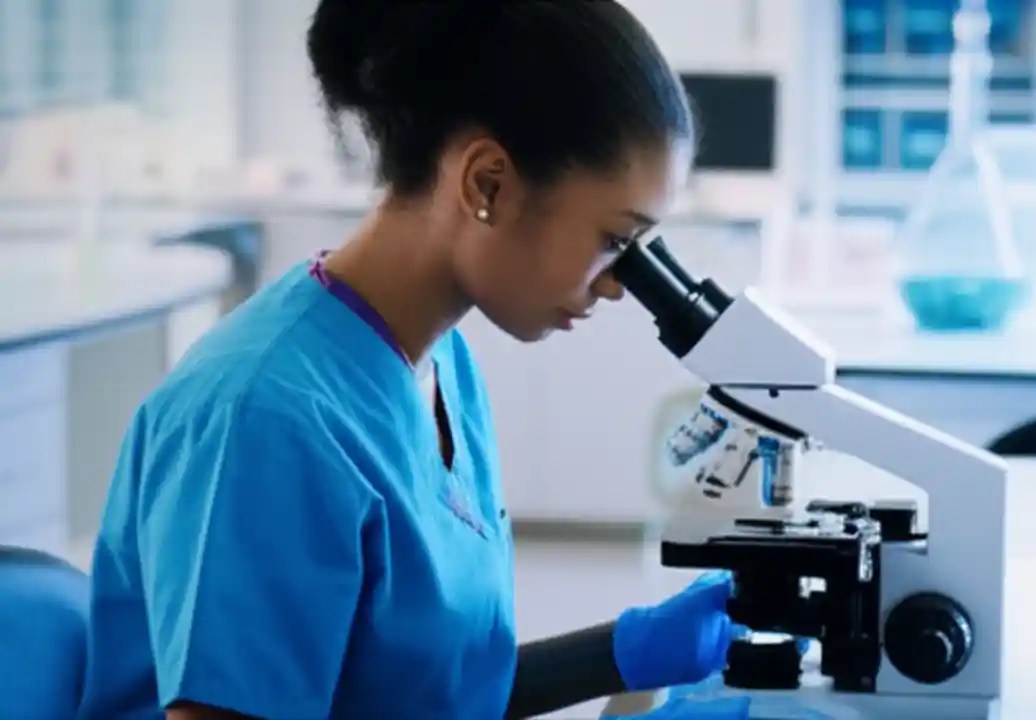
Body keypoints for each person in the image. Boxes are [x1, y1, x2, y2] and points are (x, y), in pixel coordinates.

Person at [74, 1, 754, 718]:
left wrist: (618, 652)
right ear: (487, 184)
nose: (618, 285)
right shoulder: (263, 420)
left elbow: (421, 692)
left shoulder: (439, 363)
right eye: (615, 241)